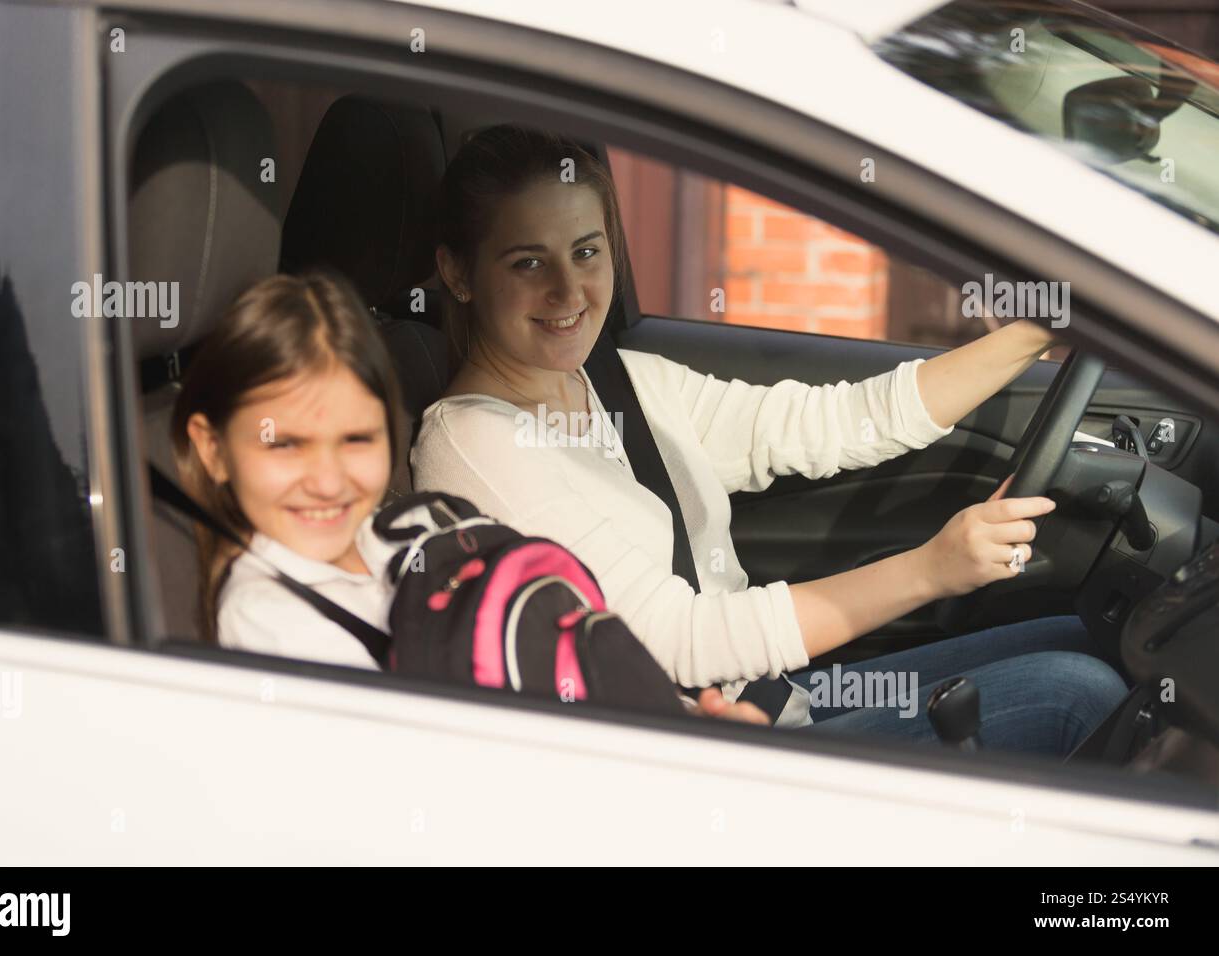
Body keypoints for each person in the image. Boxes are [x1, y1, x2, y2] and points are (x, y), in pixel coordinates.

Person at [410, 125, 1127, 754]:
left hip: (774, 698)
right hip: (697, 752)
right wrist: (930, 570)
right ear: (457, 273)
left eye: (587, 252)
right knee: (1076, 692)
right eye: (528, 263)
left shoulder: (623, 383)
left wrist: (1048, 323)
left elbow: (837, 422)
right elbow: (678, 639)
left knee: (1087, 640)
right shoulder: (474, 440)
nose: (569, 293)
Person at [170, 271, 767, 723]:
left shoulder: (395, 533)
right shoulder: (271, 619)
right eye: (286, 446)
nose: (327, 479)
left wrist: (682, 723)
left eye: (356, 439)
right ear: (213, 449)